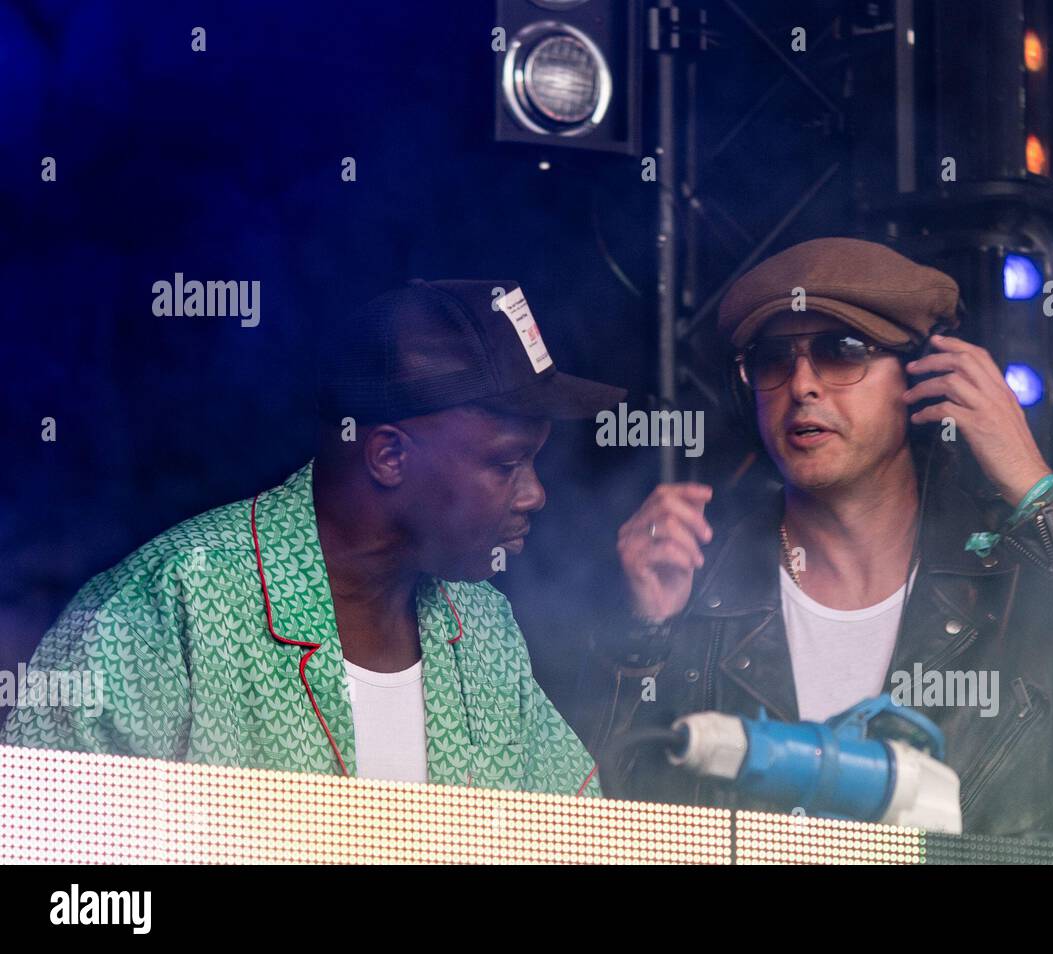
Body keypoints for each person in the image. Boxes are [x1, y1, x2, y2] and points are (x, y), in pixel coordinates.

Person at [593, 237, 1053, 841]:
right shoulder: (699, 583)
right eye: (772, 359)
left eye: (842, 349)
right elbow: (607, 830)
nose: (802, 385)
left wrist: (1038, 493)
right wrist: (640, 645)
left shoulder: (1026, 579)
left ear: (924, 374)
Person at [2, 279, 623, 796]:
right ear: (388, 456)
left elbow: (579, 840)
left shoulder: (484, 627)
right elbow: (46, 852)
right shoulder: (171, 603)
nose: (534, 493)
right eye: (505, 464)